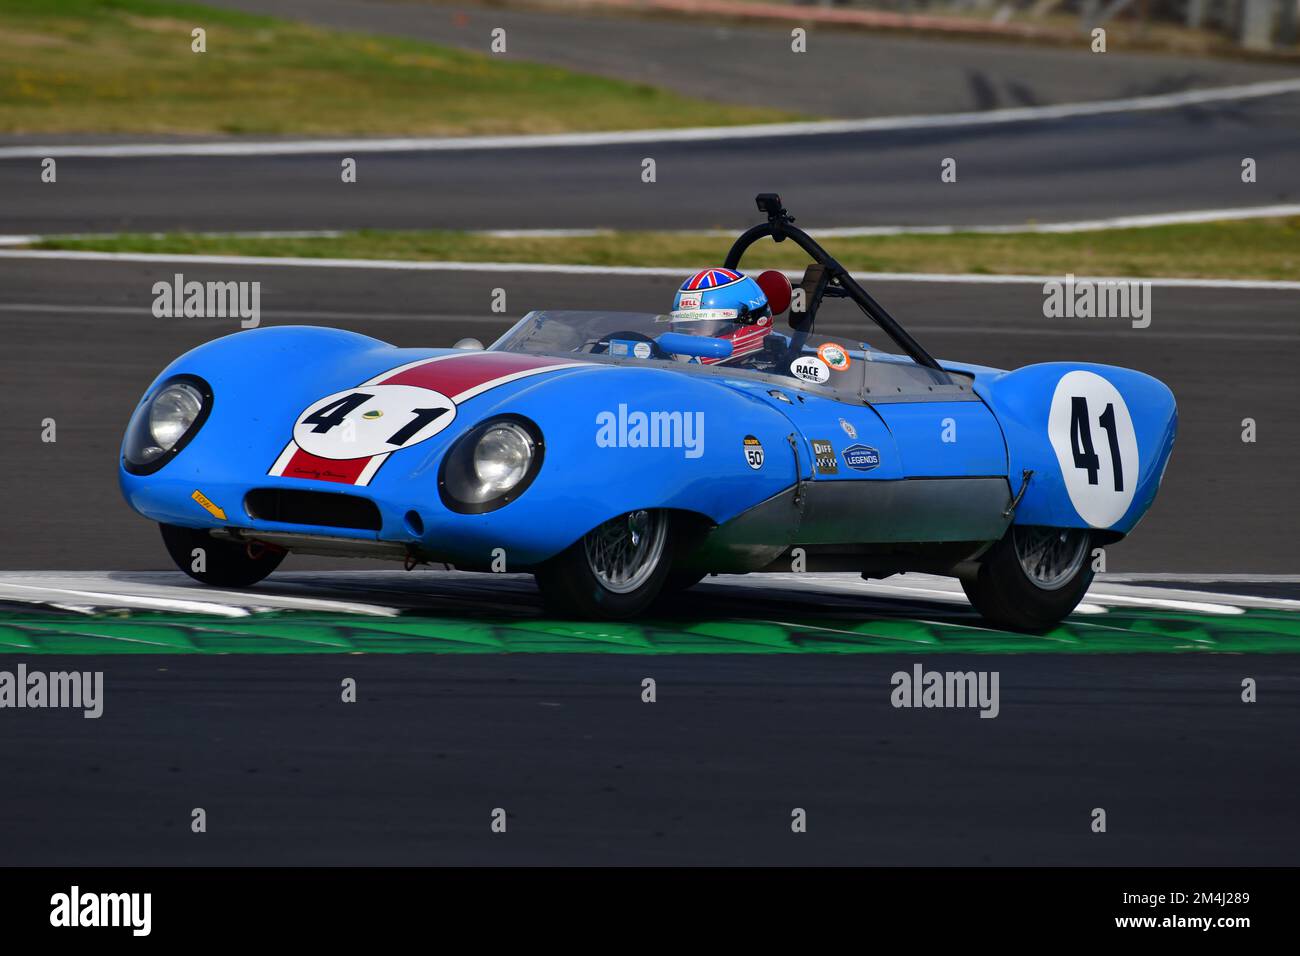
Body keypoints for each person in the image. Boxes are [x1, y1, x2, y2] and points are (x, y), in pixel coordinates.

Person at [669, 268, 777, 366]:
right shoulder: (661, 355)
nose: (691, 335)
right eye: (685, 326)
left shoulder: (777, 374)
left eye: (700, 326)